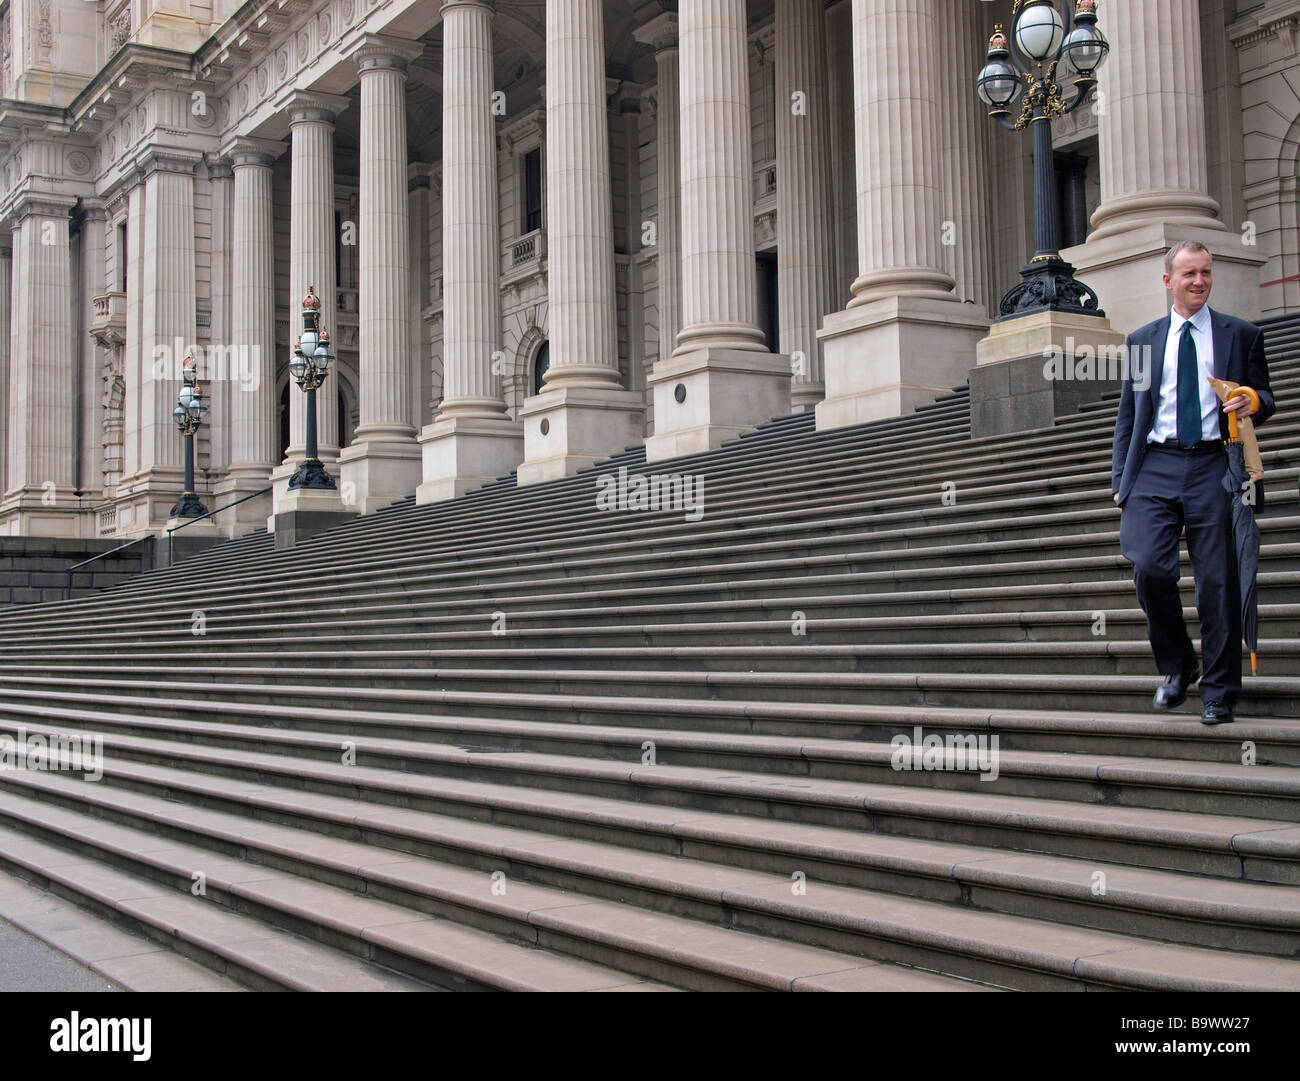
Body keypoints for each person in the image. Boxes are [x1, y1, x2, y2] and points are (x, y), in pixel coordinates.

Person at [1111, 240, 1275, 726]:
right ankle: (1178, 666)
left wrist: (1252, 402)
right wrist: (1121, 476)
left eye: (1205, 272)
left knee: (1218, 582)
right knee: (1148, 566)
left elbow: (1266, 396)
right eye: (1189, 274)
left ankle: (1220, 691)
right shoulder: (1142, 339)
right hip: (1155, 466)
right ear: (1168, 281)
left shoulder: (1240, 334)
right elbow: (1128, 415)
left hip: (1214, 465)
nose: (1199, 281)